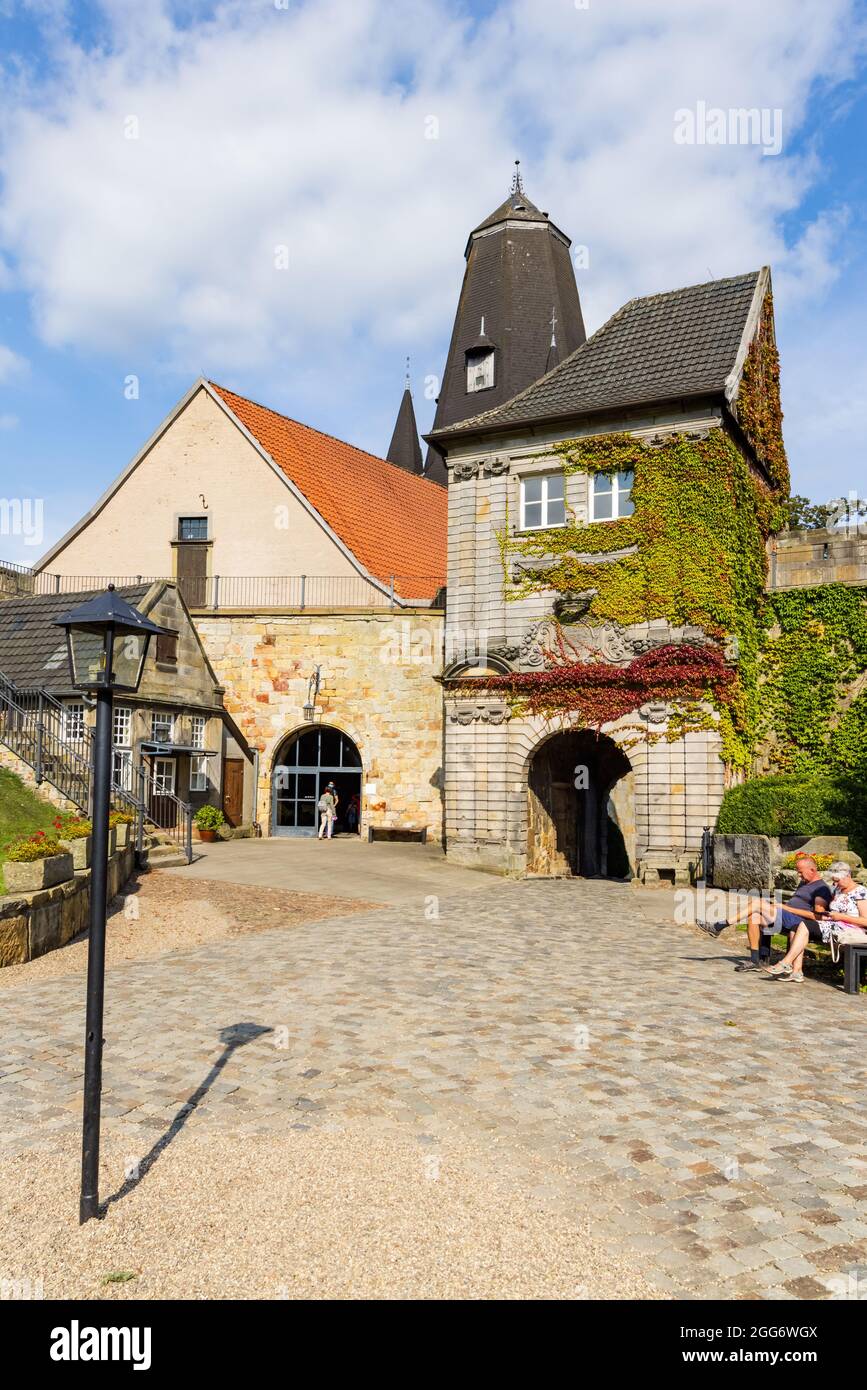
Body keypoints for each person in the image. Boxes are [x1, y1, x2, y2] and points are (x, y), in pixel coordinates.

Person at [697, 852, 832, 973]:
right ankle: (755, 960)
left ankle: (719, 926)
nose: (799, 875)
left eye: (801, 872)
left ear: (813, 870)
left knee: (758, 903)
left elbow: (817, 916)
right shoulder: (805, 883)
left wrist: (785, 908)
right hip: (785, 915)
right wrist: (782, 907)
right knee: (754, 916)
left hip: (797, 922)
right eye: (798, 872)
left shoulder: (821, 888)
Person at [764, 861, 867, 981]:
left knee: (804, 925)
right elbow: (830, 909)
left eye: (837, 880)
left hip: (849, 929)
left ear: (848, 876)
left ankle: (786, 962)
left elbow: (865, 921)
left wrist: (841, 917)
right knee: (796, 927)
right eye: (834, 881)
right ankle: (797, 971)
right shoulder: (838, 890)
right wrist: (824, 914)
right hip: (832, 923)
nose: (835, 884)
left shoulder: (860, 892)